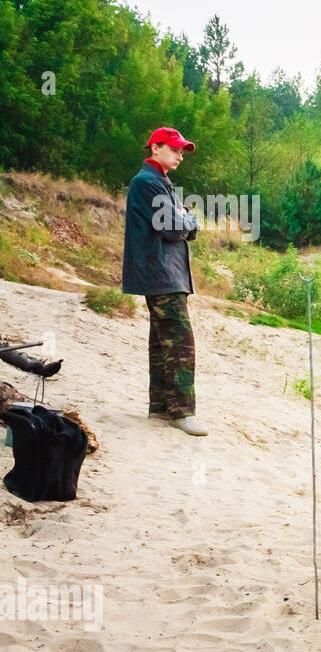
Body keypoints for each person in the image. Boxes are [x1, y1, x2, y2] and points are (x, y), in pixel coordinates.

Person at [122, 127, 206, 436]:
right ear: (154, 148)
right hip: (161, 274)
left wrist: (184, 217)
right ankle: (182, 412)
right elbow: (174, 226)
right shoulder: (147, 183)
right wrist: (189, 220)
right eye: (174, 148)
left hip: (166, 273)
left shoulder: (160, 182)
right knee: (181, 342)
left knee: (161, 342)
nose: (180, 154)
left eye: (182, 149)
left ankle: (159, 408)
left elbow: (177, 221)